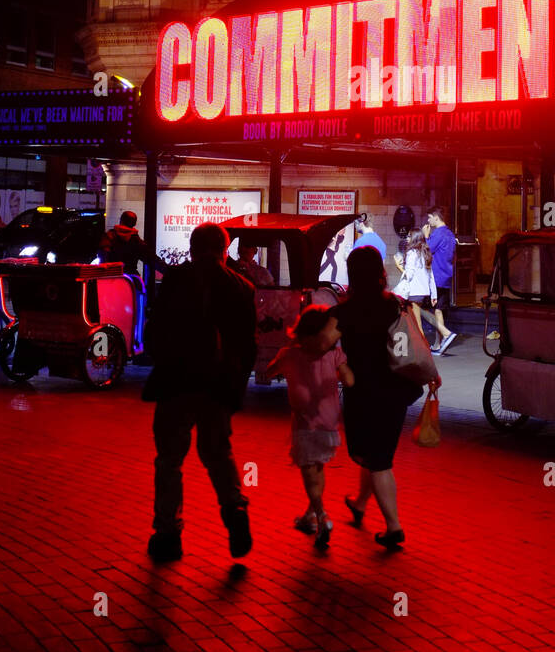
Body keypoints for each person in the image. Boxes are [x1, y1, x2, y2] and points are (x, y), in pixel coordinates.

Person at [142, 222, 257, 562]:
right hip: (218, 384)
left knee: (169, 461)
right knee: (218, 453)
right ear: (225, 251)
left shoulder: (176, 281)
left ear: (192, 249)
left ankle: (168, 533)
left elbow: (156, 331)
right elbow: (247, 346)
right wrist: (236, 387)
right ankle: (235, 510)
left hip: (176, 382)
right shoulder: (242, 288)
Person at [330, 246, 428, 548]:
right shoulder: (395, 304)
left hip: (363, 393)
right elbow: (413, 343)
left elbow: (323, 343)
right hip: (396, 390)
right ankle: (360, 504)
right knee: (376, 452)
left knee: (378, 459)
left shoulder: (344, 310)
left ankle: (394, 526)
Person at [267, 305, 354, 548]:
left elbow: (267, 373)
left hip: (305, 424)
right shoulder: (333, 355)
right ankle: (310, 516)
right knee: (318, 468)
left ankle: (322, 514)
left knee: (308, 471)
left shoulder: (289, 354)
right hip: (328, 422)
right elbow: (349, 380)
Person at [421, 207, 457, 355]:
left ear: (436, 217)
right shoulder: (450, 234)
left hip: (435, 276)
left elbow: (426, 250)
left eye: (430, 218)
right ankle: (439, 344)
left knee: (425, 309)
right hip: (446, 276)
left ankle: (442, 338)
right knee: (439, 309)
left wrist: (425, 235)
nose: (428, 221)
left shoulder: (438, 234)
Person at [393, 229, 437, 333]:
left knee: (417, 325)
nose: (407, 239)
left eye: (409, 236)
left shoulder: (412, 253)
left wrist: (399, 266)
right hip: (423, 292)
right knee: (416, 322)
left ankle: (422, 348)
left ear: (415, 238)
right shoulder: (425, 253)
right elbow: (431, 276)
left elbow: (409, 275)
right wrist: (434, 295)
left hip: (414, 292)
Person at [99, 210, 165, 275]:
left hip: (110, 277)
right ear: (134, 223)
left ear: (121, 220)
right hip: (130, 278)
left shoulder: (109, 236)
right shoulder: (136, 241)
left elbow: (103, 257)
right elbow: (151, 258)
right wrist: (168, 270)